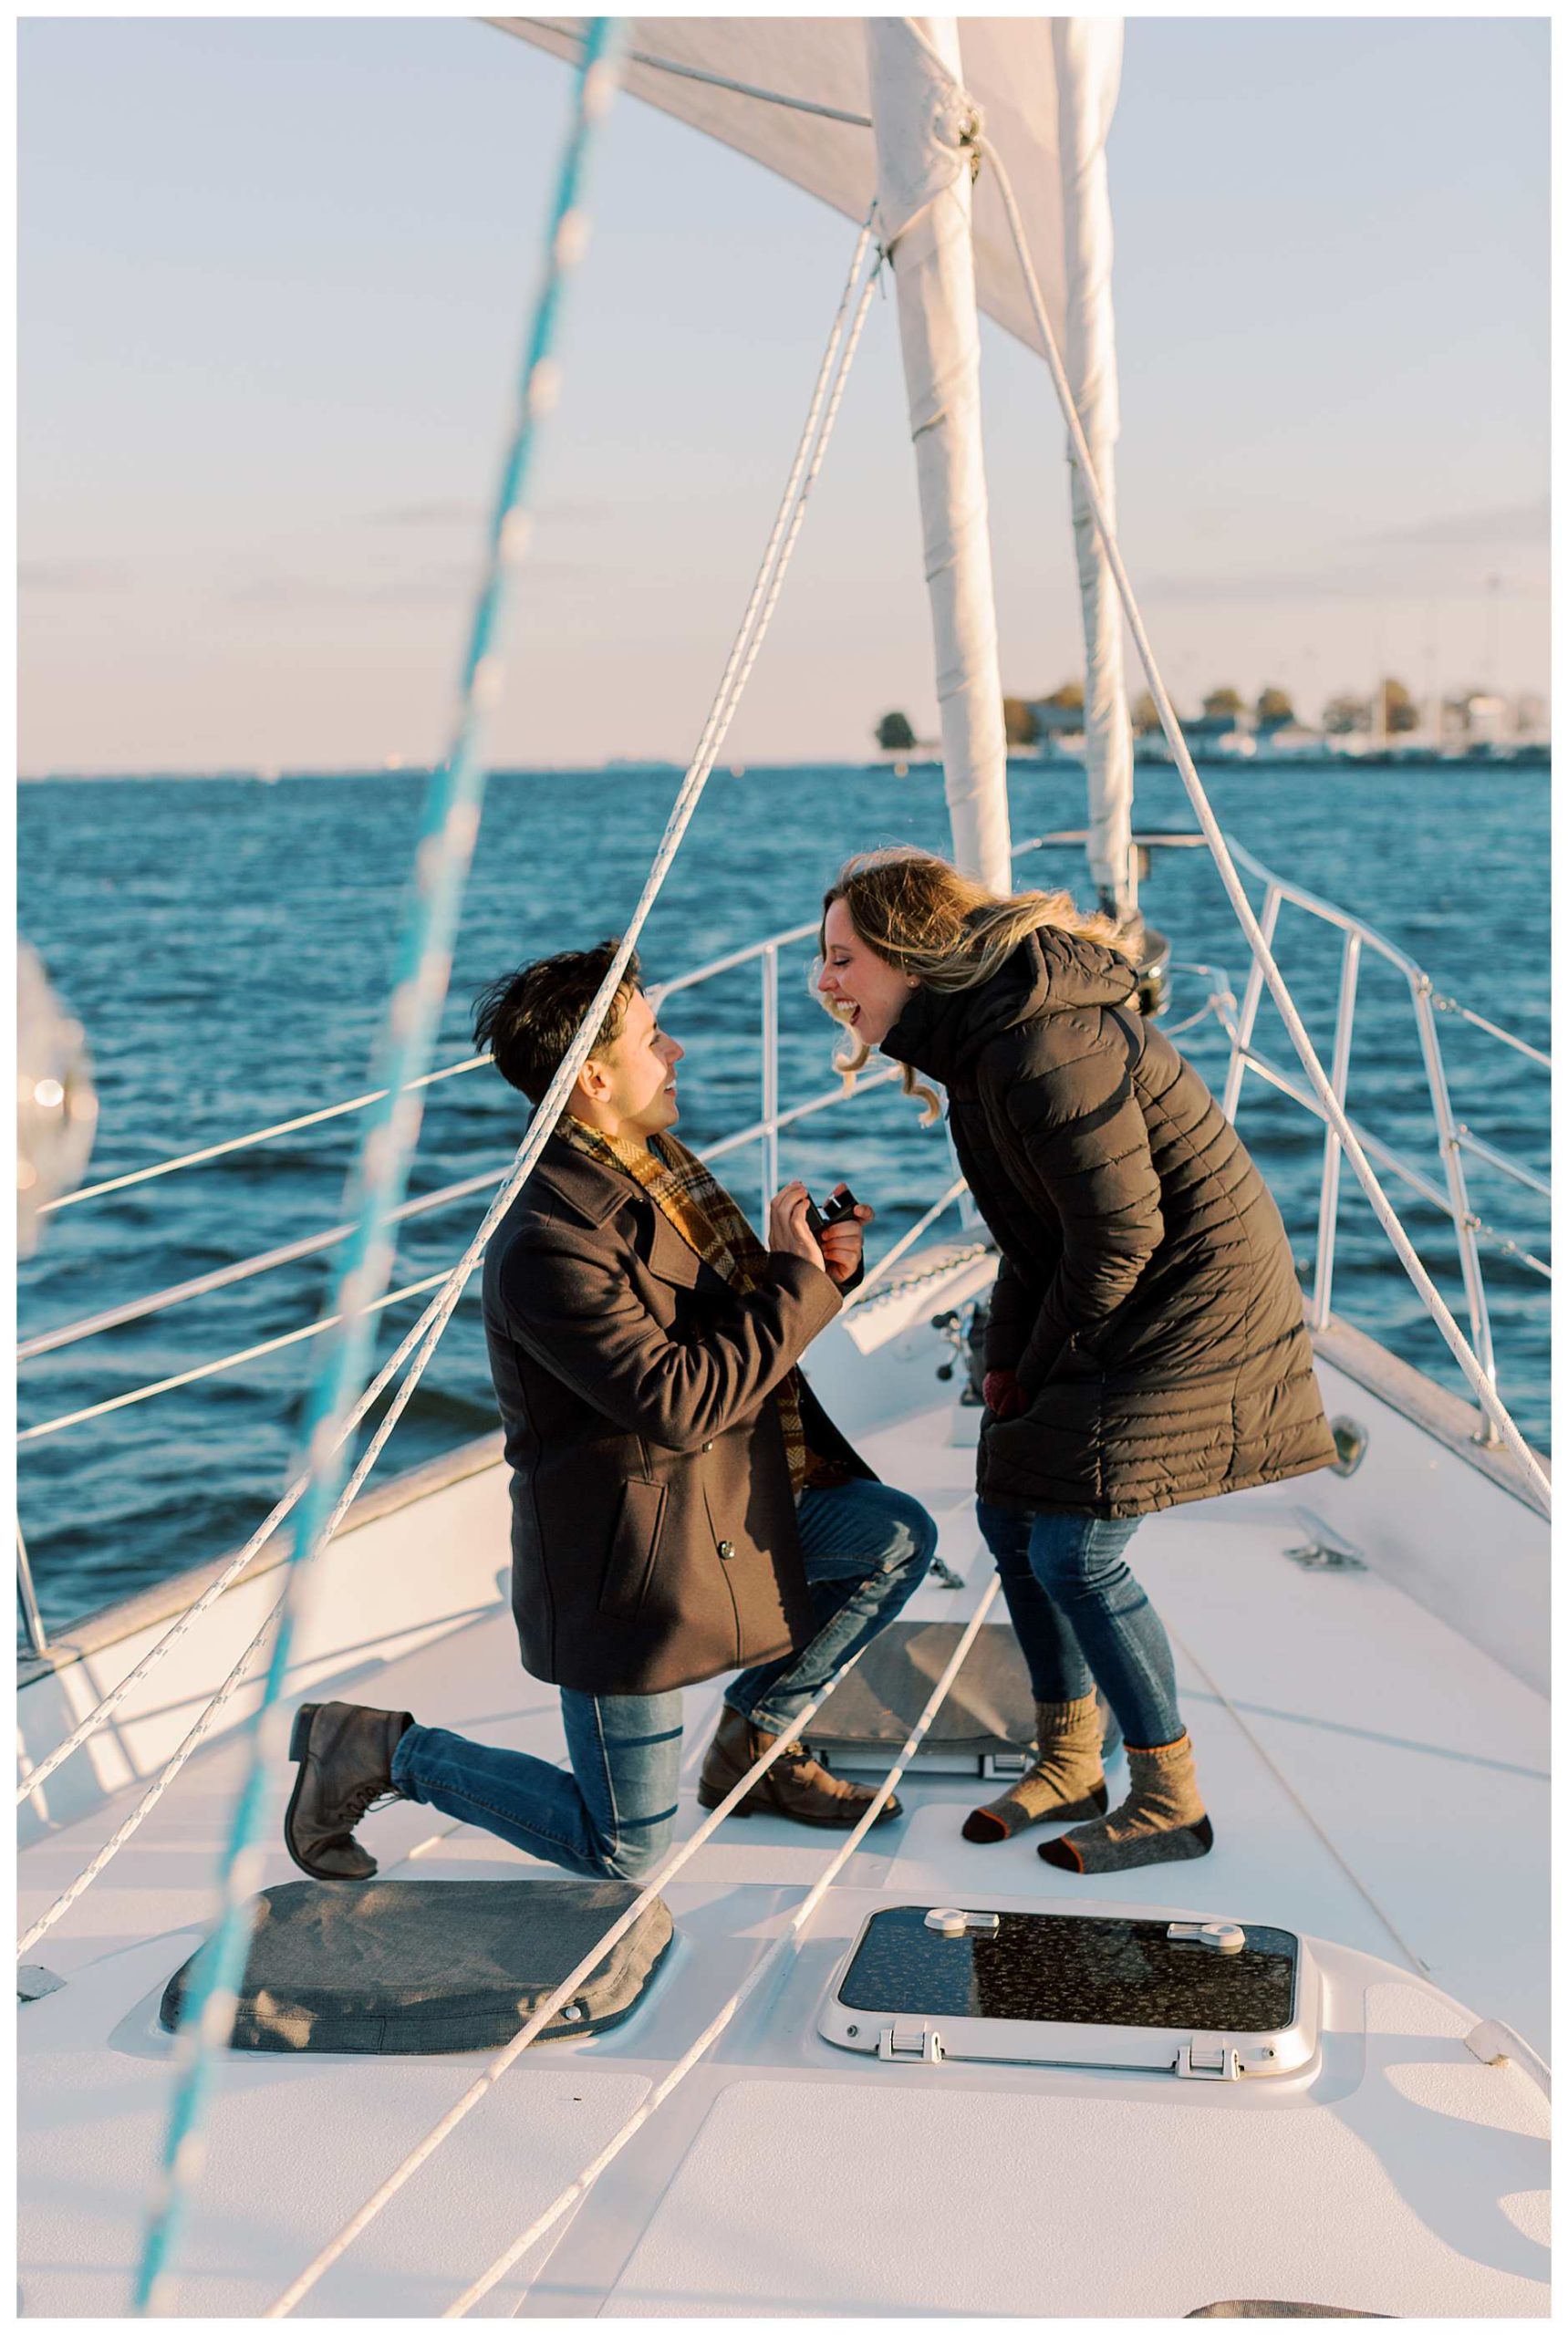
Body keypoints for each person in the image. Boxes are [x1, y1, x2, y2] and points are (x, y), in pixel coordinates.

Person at [285, 939, 938, 1885]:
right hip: (629, 1572)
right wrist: (794, 1286)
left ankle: (752, 1742)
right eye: (655, 1037)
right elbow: (679, 1400)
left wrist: (818, 1273)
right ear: (593, 1076)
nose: (676, 1054)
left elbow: (723, 1326)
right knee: (622, 1847)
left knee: (888, 1537)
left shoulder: (651, 1168)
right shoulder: (547, 1244)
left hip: (711, 1511)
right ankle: (382, 1751)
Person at [815, 849, 1335, 1875]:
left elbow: (1118, 1237)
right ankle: (1068, 1761)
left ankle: (1171, 1797)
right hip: (1125, 1286)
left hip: (1197, 1300)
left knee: (1078, 1554)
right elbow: (1034, 1236)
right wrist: (1010, 1365)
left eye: (842, 959)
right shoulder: (979, 1048)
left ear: (910, 958)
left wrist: (1041, 1365)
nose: (824, 983)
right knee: (1010, 1507)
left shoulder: (1039, 1041)